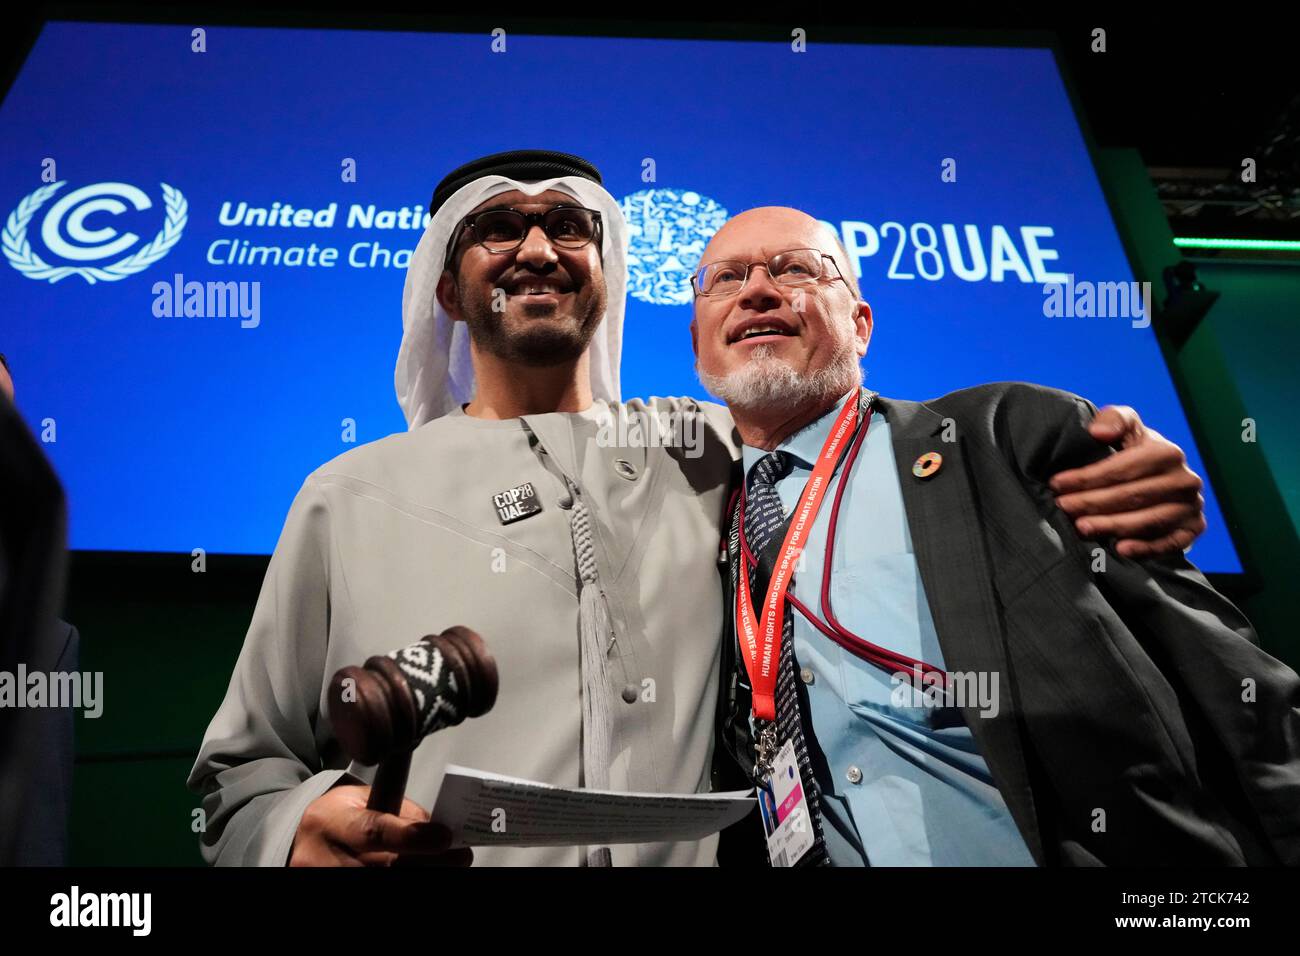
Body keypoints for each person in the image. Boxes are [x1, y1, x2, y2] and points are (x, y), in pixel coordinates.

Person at [188, 151, 1215, 867]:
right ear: (447, 291)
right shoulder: (347, 494)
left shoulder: (718, 448)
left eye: (568, 226)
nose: (537, 246)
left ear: (609, 272)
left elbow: (883, 440)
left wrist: (1101, 449)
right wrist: (294, 827)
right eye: (498, 227)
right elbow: (239, 771)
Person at [694, 206, 1300, 866]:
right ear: (699, 341)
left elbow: (1224, 676)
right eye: (726, 277)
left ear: (861, 326)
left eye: (795, 269)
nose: (758, 288)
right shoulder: (706, 522)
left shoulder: (1005, 436)